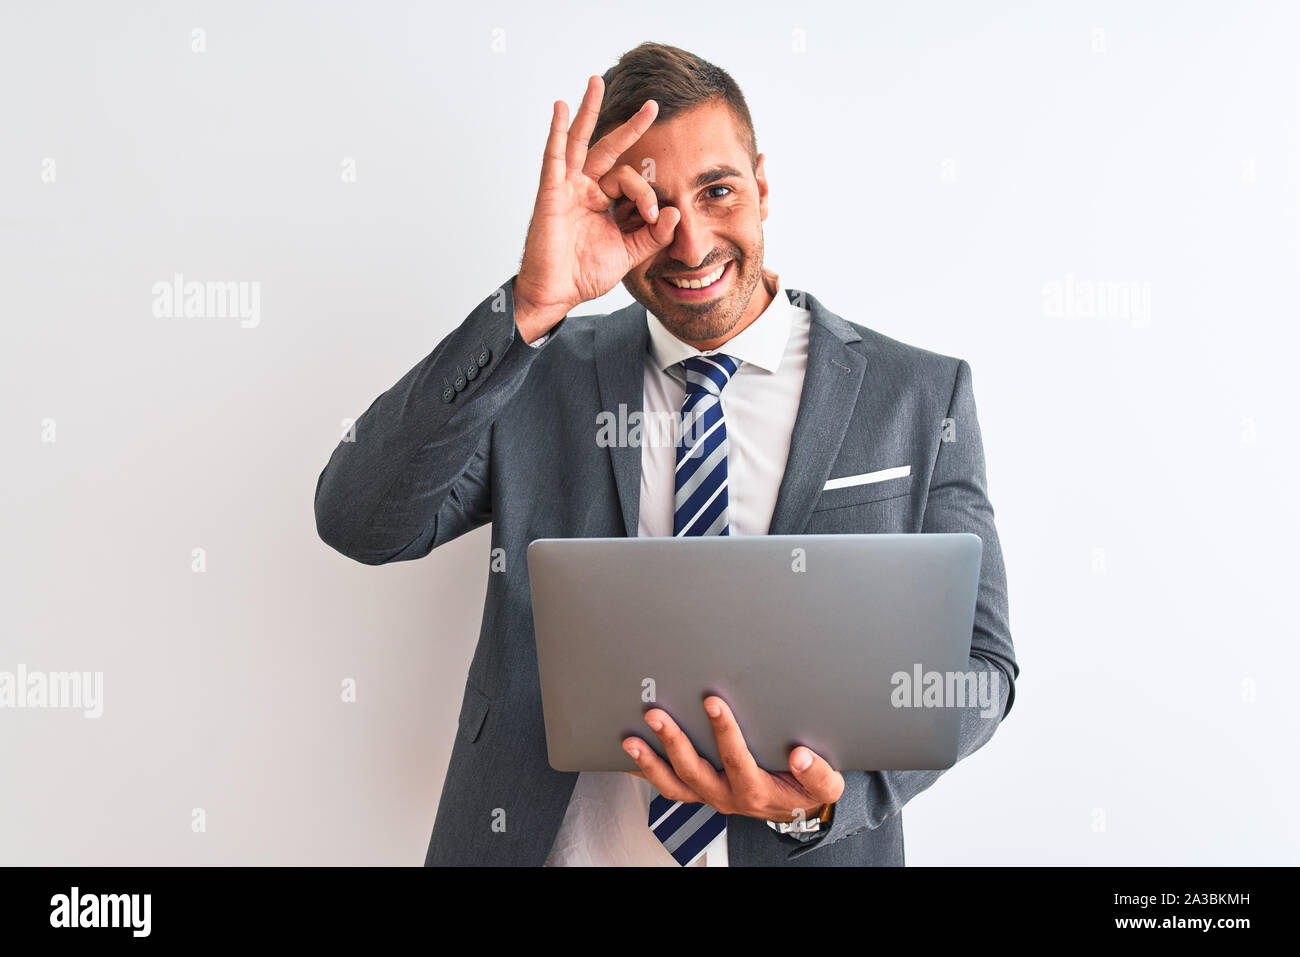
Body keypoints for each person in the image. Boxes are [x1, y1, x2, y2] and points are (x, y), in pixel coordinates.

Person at [313, 42, 1018, 867]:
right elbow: (359, 519)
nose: (688, 245)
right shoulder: (539, 377)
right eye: (647, 208)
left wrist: (829, 799)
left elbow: (983, 668)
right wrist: (530, 307)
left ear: (761, 184)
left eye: (717, 190)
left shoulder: (918, 394)